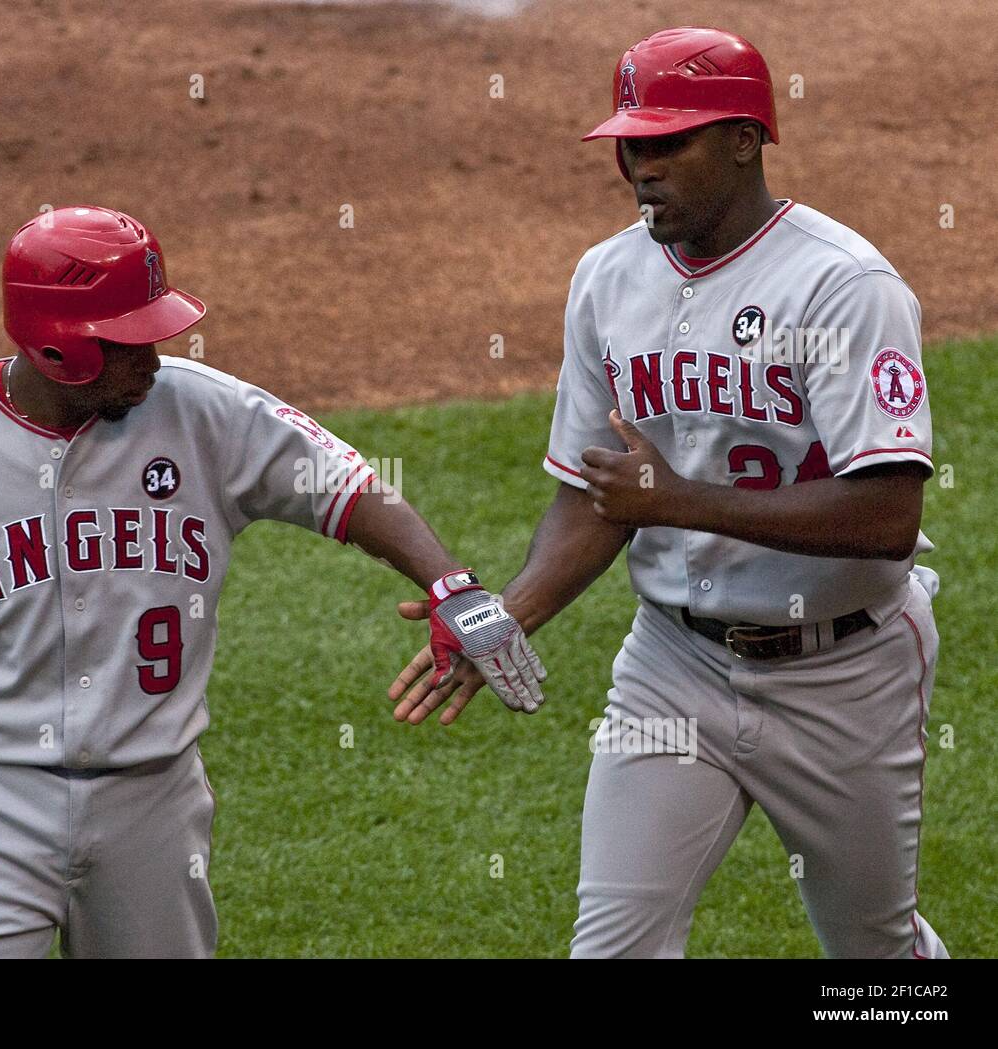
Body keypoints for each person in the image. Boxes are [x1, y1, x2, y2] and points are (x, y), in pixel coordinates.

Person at [0, 205, 546, 958]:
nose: (155, 358)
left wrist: (453, 586)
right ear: (58, 347)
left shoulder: (201, 411)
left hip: (155, 806)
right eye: (130, 341)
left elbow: (342, 483)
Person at [389, 27, 948, 959]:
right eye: (630, 146)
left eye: (668, 143)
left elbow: (889, 516)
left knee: (873, 955)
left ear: (744, 138)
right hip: (671, 668)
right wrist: (509, 615)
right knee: (611, 948)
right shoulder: (607, 279)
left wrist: (680, 500)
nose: (642, 167)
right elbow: (594, 493)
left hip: (844, 674)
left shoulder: (844, 286)